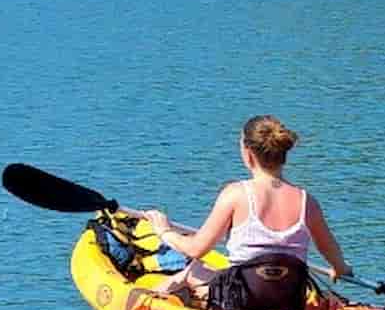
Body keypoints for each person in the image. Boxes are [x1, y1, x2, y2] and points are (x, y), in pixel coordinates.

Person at [143, 114, 351, 298]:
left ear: (248, 152)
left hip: (243, 299)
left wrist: (165, 231)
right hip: (290, 298)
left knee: (193, 270)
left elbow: (196, 249)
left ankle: (146, 305)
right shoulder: (308, 202)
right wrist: (339, 268)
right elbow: (331, 252)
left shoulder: (235, 194)